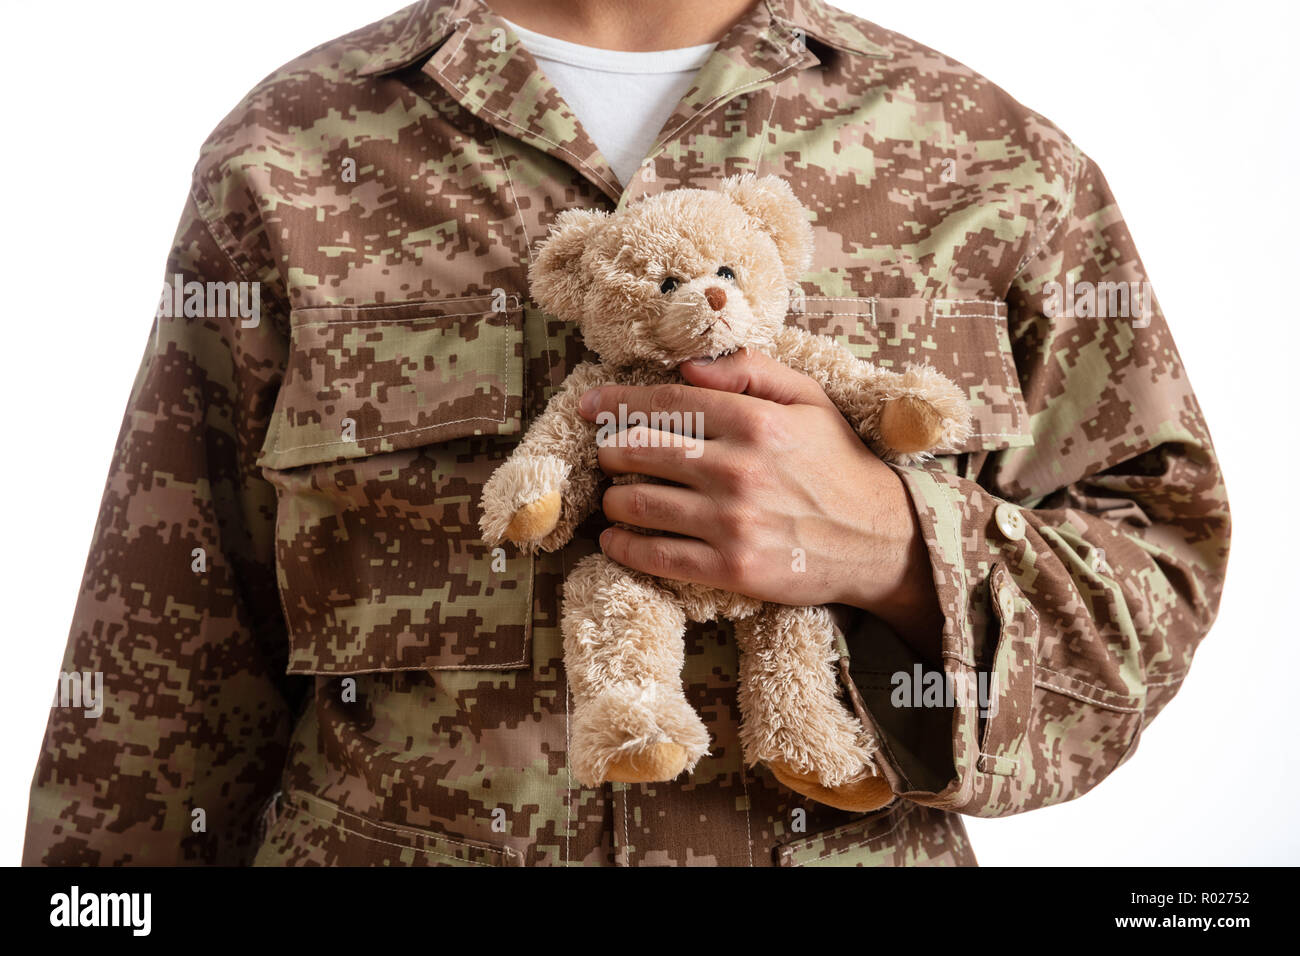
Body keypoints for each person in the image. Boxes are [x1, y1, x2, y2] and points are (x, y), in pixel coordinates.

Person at [24, 0, 1231, 867]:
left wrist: (894, 545)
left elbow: (1155, 576)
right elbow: (167, 645)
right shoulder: (288, 152)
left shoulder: (994, 164)